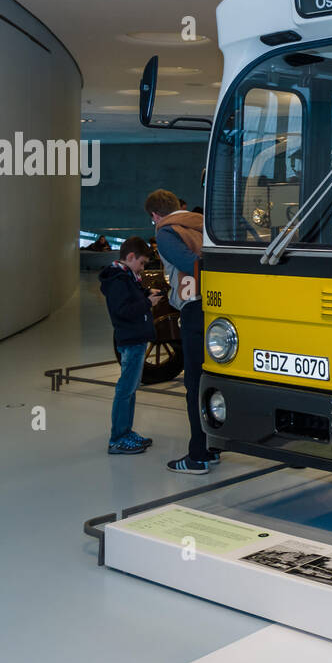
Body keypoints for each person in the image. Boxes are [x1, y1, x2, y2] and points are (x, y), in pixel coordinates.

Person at [144, 189, 220, 474]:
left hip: (194, 309)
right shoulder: (204, 224)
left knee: (194, 385)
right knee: (215, 378)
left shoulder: (166, 234)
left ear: (155, 215)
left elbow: (193, 265)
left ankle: (198, 455)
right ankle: (214, 446)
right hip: (221, 308)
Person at [99, 237, 162, 454]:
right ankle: (117, 438)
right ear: (131, 257)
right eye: (142, 263)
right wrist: (147, 303)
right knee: (125, 389)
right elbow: (122, 310)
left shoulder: (126, 277)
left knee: (131, 388)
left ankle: (126, 431)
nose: (143, 268)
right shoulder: (118, 279)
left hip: (135, 338)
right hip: (131, 340)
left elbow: (129, 299)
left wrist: (145, 294)